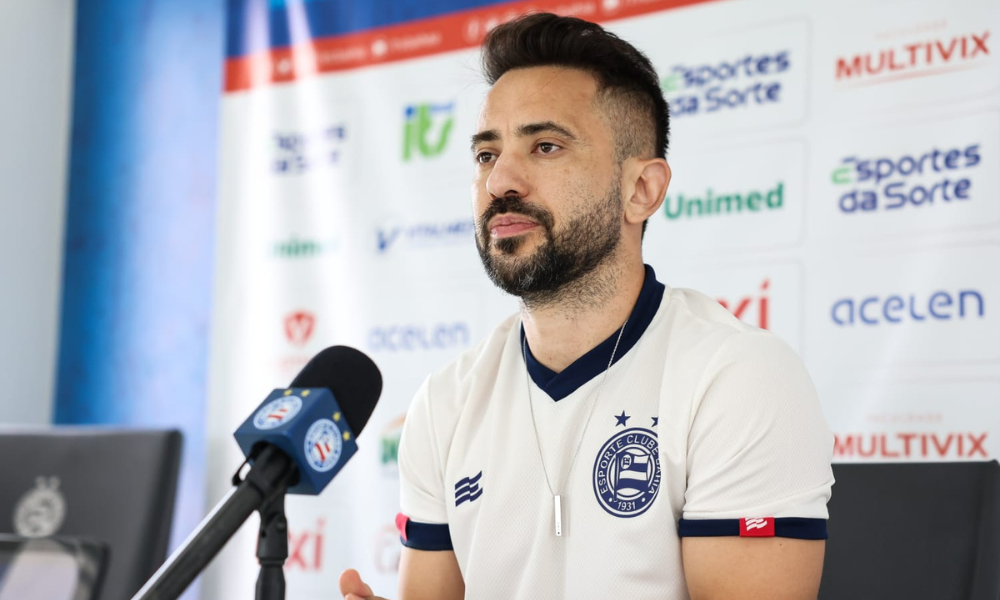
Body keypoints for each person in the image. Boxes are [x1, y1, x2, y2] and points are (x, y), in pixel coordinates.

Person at [341, 12, 833, 600]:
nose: (501, 181)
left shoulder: (736, 378)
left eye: (545, 146)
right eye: (485, 155)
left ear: (642, 190)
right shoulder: (446, 402)